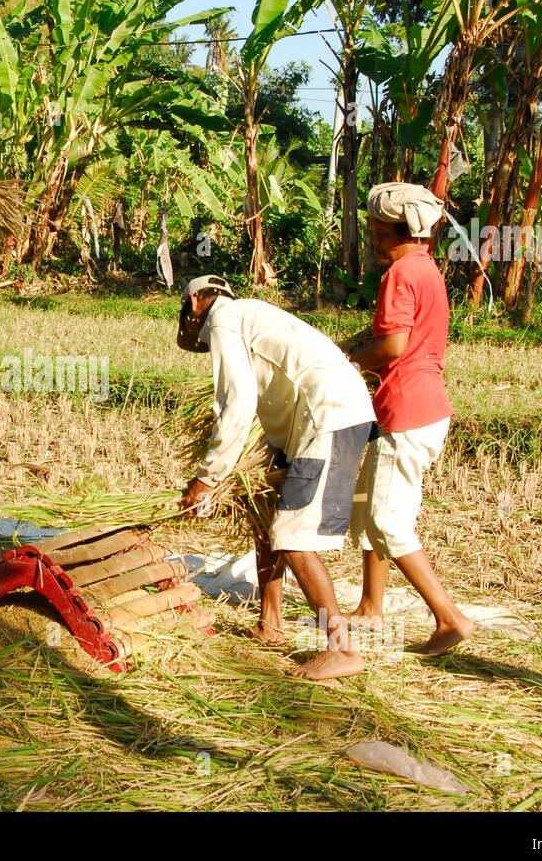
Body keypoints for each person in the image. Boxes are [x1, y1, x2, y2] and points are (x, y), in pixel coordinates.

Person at [177, 275, 377, 680]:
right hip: (332, 409)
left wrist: (207, 478)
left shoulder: (222, 318)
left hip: (326, 413)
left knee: (293, 536)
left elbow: (238, 404)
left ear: (196, 300)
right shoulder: (250, 313)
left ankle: (342, 649)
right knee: (268, 512)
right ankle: (271, 623)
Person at [346, 182, 473, 655]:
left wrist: (351, 359)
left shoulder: (400, 274)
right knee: (368, 510)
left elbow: (394, 347)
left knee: (387, 521)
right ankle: (370, 608)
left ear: (406, 231)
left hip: (406, 409)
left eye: (379, 233)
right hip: (415, 407)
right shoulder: (426, 269)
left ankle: (450, 619)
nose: (375, 241)